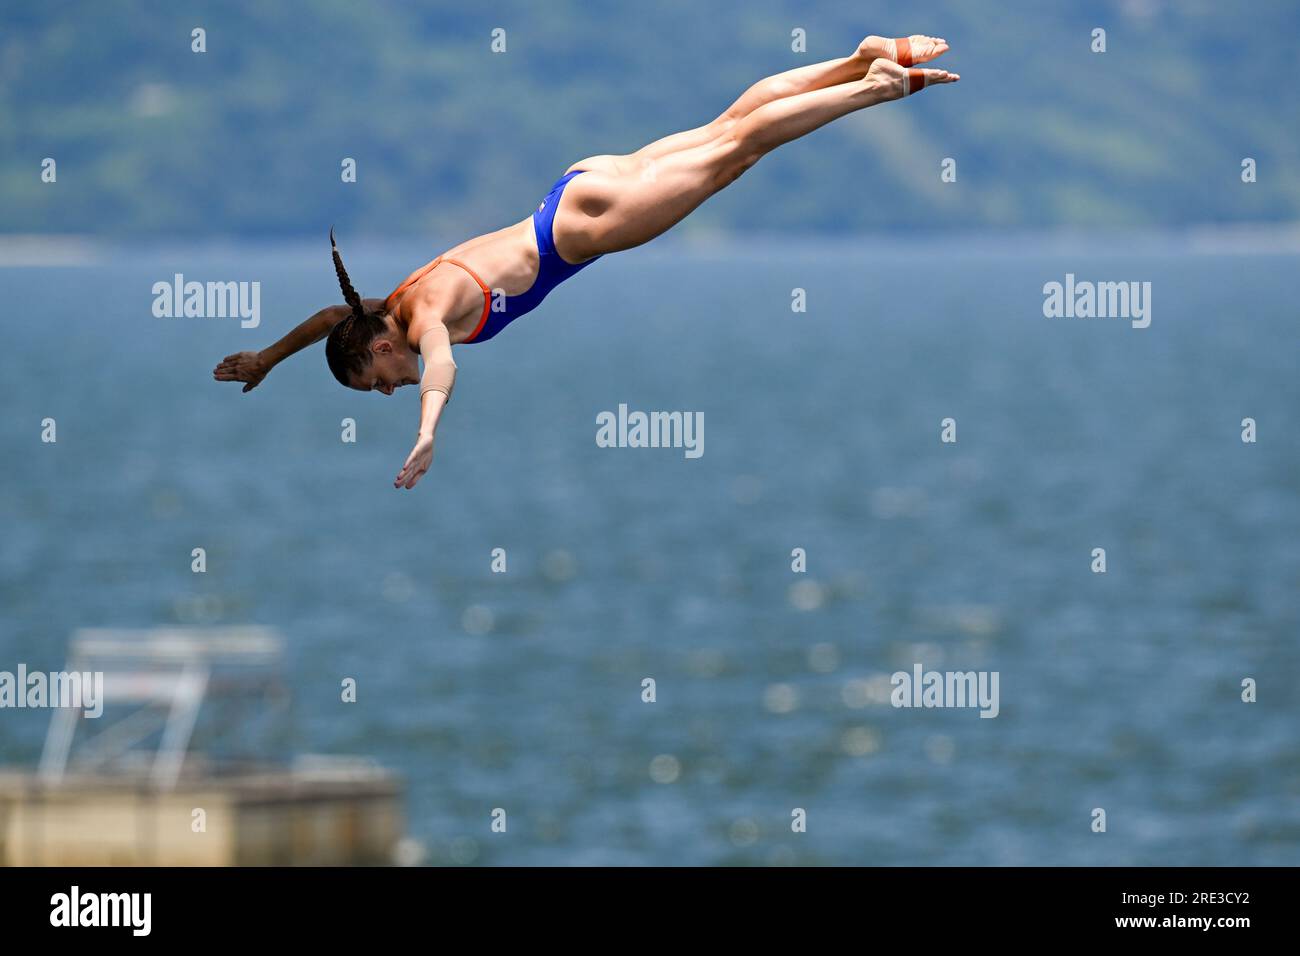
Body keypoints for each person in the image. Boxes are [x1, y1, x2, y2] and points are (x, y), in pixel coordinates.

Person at [214, 34, 957, 488]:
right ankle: (858, 58)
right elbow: (327, 317)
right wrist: (269, 359)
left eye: (373, 382)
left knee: (739, 149)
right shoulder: (396, 303)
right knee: (726, 127)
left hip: (584, 228)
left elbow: (439, 366)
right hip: (572, 188)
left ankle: (872, 88)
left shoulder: (424, 318)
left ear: (381, 347)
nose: (384, 390)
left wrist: (426, 430)